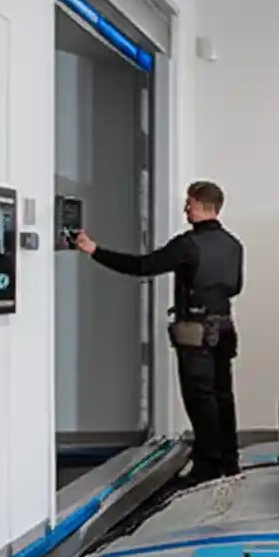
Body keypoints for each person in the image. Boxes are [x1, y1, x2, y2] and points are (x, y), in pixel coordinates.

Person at [74, 181, 245, 485]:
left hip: (196, 332)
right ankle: (229, 461)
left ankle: (207, 466)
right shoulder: (234, 245)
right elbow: (235, 287)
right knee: (222, 396)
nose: (185, 209)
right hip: (225, 328)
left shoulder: (187, 245)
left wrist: (95, 250)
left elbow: (142, 266)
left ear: (199, 204)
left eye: (188, 203)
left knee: (199, 399)